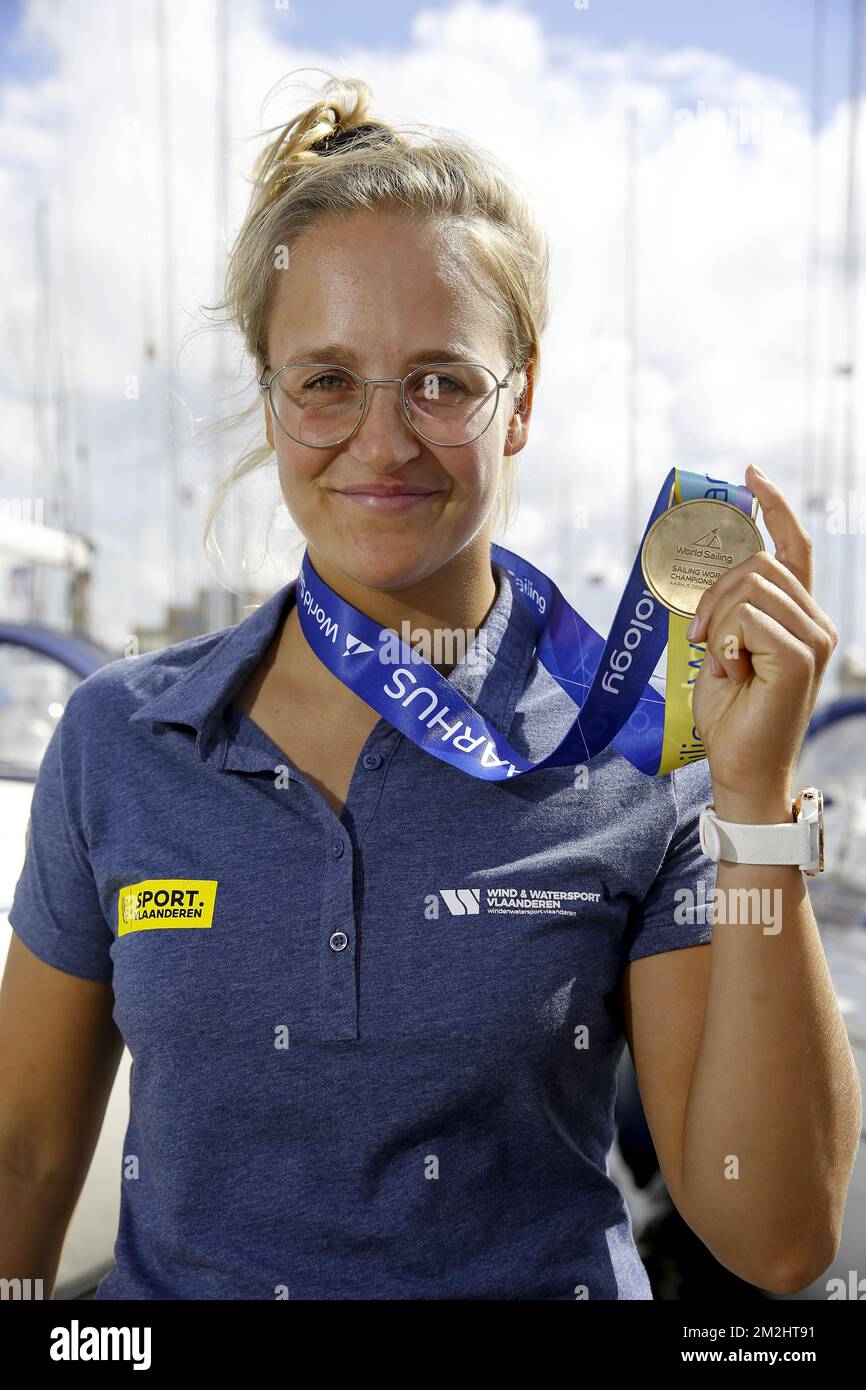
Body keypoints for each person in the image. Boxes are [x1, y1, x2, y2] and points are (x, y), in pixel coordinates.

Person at [0, 72, 860, 1302]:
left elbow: (773, 1236)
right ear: (269, 394)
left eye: (443, 380)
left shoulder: (643, 750)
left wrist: (758, 801)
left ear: (521, 405)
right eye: (327, 379)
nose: (384, 439)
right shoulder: (119, 738)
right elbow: (26, 1154)